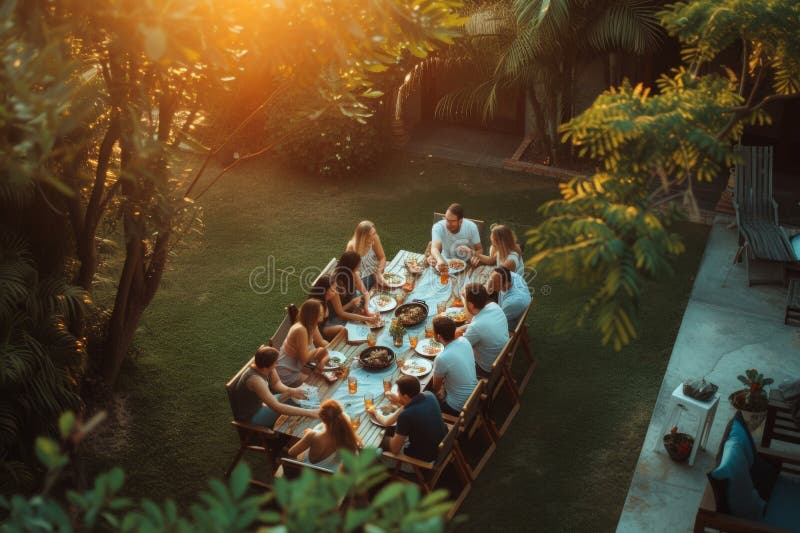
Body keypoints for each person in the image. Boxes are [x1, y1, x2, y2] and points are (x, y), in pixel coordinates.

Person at [230, 345, 320, 428]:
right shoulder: (256, 380)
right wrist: (310, 413)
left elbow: (276, 383)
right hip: (252, 415)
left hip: (263, 403)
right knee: (299, 407)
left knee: (295, 397)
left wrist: (292, 391)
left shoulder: (262, 365)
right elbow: (277, 407)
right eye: (276, 362)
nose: (277, 363)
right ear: (266, 367)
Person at [368, 375, 446, 463]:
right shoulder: (429, 395)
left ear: (405, 396)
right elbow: (387, 422)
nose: (397, 395)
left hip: (423, 460)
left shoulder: (406, 415)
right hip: (440, 446)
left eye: (398, 393)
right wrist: (375, 412)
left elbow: (394, 449)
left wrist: (381, 440)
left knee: (376, 444)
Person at [288, 399, 362, 470]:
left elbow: (291, 453)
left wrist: (308, 437)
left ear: (322, 419)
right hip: (326, 474)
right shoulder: (344, 441)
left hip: (304, 470)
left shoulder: (312, 435)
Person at [457, 283, 509, 377]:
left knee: (452, 358)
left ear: (470, 305)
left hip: (485, 369)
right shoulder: (494, 306)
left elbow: (460, 349)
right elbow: (479, 326)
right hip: (501, 359)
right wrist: (460, 328)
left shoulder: (476, 327)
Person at [276, 300, 331, 386]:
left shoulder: (311, 324)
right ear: (312, 315)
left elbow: (318, 344)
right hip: (287, 372)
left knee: (324, 377)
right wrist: (320, 350)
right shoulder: (300, 330)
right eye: (320, 312)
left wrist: (327, 352)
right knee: (317, 385)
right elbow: (304, 358)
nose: (323, 313)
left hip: (298, 366)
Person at [430, 316, 478, 416]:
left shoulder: (441, 358)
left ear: (438, 336)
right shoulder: (464, 341)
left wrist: (442, 388)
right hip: (474, 397)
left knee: (426, 397)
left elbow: (435, 388)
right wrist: (443, 387)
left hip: (456, 407)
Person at [327, 252, 378, 327]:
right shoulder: (334, 285)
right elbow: (340, 313)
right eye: (357, 267)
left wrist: (366, 308)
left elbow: (365, 293)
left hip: (350, 306)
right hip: (335, 315)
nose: (359, 269)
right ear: (351, 268)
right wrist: (352, 303)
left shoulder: (353, 274)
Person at [428, 203, 483, 270]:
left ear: (460, 221)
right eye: (447, 220)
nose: (448, 224)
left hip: (466, 264)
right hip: (444, 261)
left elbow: (479, 249)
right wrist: (439, 260)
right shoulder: (438, 227)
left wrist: (475, 257)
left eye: (452, 221)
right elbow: (434, 248)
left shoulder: (472, 227)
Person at [487, 266, 531, 331]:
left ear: (506, 285)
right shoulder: (511, 275)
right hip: (509, 314)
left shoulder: (511, 302)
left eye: (495, 284)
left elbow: (494, 323)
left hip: (506, 329)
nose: (491, 286)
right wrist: (489, 285)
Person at [346, 220, 387, 290]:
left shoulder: (374, 238)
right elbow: (350, 271)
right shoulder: (351, 247)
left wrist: (379, 273)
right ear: (363, 237)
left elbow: (382, 258)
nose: (374, 236)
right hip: (362, 278)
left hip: (377, 272)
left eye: (374, 233)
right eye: (370, 235)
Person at [307, 276, 346, 341]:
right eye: (332, 290)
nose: (335, 292)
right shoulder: (315, 307)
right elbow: (318, 339)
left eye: (335, 289)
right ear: (324, 290)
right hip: (318, 334)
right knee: (342, 329)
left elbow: (340, 312)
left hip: (324, 327)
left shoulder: (324, 299)